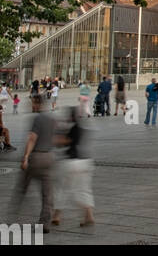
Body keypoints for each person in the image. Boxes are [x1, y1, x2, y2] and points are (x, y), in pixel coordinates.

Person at [9, 96, 55, 228]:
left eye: (33, 103)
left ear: (37, 104)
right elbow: (56, 138)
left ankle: (15, 216)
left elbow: (32, 139)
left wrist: (25, 157)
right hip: (49, 157)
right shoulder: (52, 119)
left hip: (36, 157)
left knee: (22, 188)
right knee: (47, 193)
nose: (31, 106)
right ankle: (45, 223)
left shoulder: (37, 118)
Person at [52, 106, 94, 229]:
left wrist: (57, 137)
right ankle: (89, 216)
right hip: (86, 161)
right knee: (84, 189)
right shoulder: (82, 127)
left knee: (62, 188)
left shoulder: (72, 128)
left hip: (72, 162)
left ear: (70, 116)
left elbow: (64, 142)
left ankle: (56, 216)